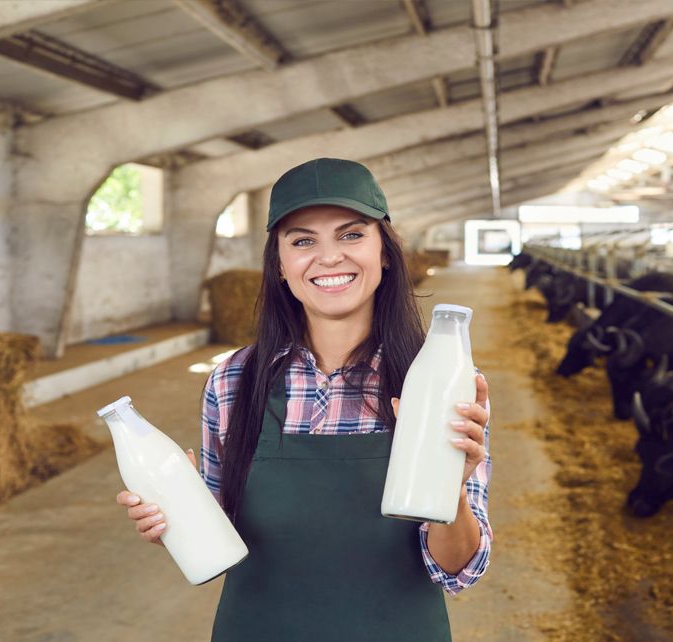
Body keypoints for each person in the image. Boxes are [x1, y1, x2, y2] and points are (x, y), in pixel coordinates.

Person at [115, 158, 493, 641]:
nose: (329, 257)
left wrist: (450, 489)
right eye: (302, 241)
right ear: (279, 265)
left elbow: (457, 571)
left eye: (351, 235)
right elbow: (217, 536)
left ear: (384, 252)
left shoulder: (441, 382)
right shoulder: (233, 381)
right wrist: (173, 516)